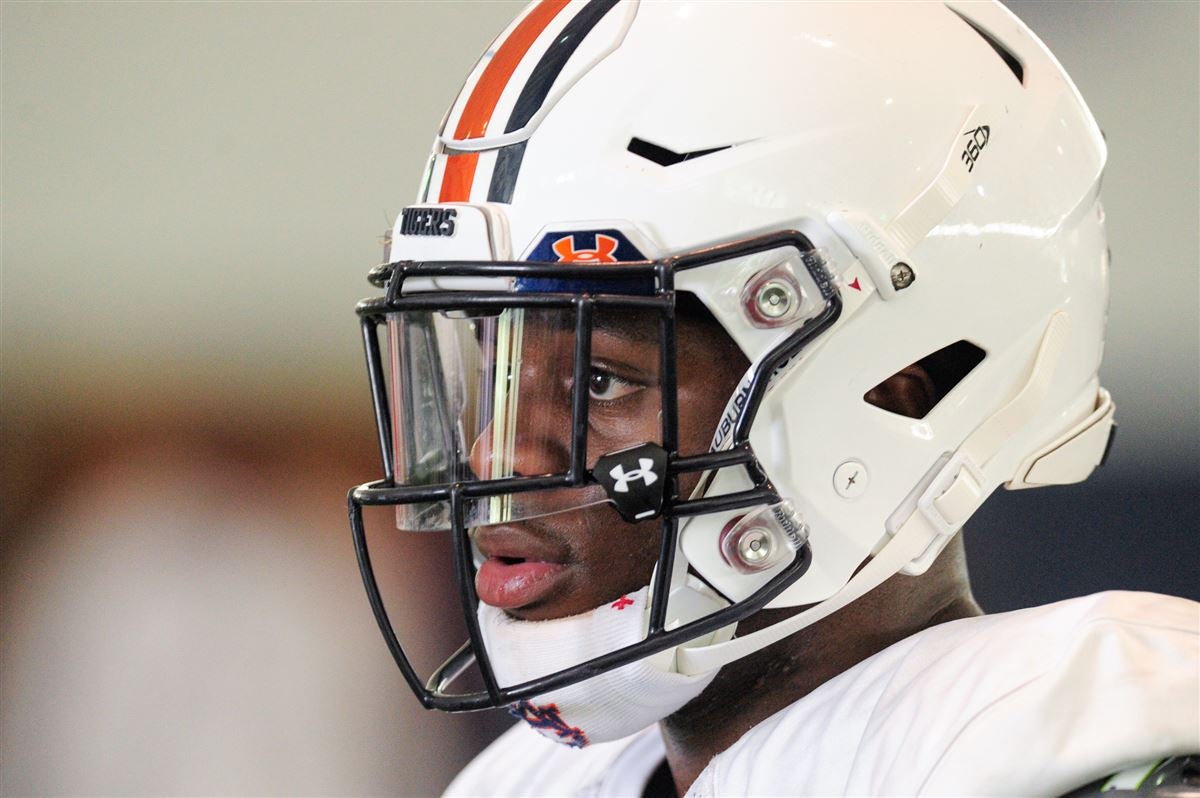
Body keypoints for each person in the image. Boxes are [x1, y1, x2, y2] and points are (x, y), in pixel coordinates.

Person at [347, 2, 1199, 795]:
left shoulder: (1063, 743)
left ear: (906, 389)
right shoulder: (527, 783)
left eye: (599, 382)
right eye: (498, 370)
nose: (498, 457)